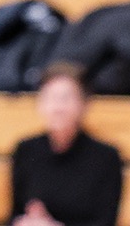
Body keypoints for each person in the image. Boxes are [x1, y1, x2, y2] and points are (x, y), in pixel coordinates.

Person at [8, 63, 123, 226]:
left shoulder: (106, 157)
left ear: (84, 104)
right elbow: (14, 214)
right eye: (51, 98)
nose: (58, 108)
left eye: (66, 98)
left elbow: (106, 222)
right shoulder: (26, 150)